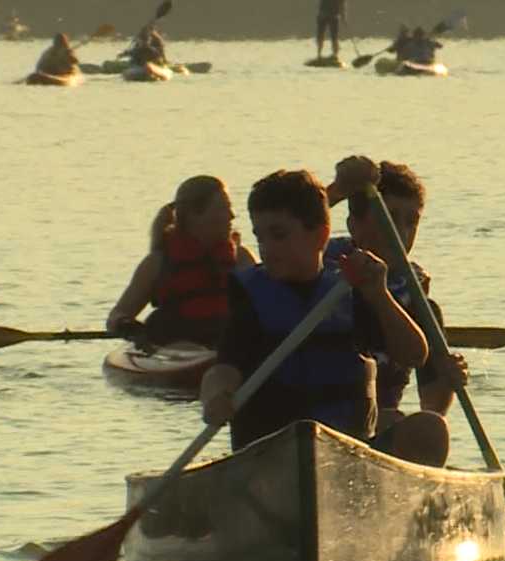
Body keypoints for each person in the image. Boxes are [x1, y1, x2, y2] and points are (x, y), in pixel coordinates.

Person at [200, 170, 432, 465]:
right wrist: (215, 397)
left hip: (347, 455)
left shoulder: (351, 292)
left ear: (320, 235)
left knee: (429, 429)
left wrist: (379, 296)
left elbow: (414, 354)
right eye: (261, 236)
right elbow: (223, 368)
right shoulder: (250, 298)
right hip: (269, 454)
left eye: (279, 235)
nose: (267, 249)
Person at [323, 157, 469, 465]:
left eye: (410, 221)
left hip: (377, 435)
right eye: (388, 218)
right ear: (355, 225)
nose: (400, 232)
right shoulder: (320, 264)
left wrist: (447, 378)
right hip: (318, 430)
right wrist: (339, 191)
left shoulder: (416, 296)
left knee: (427, 427)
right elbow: (297, 226)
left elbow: (434, 409)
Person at [107, 176, 256, 349]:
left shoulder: (241, 258)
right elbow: (117, 315)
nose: (231, 216)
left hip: (227, 345)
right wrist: (129, 327)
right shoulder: (157, 263)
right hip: (175, 346)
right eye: (223, 209)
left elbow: (265, 305)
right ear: (194, 215)